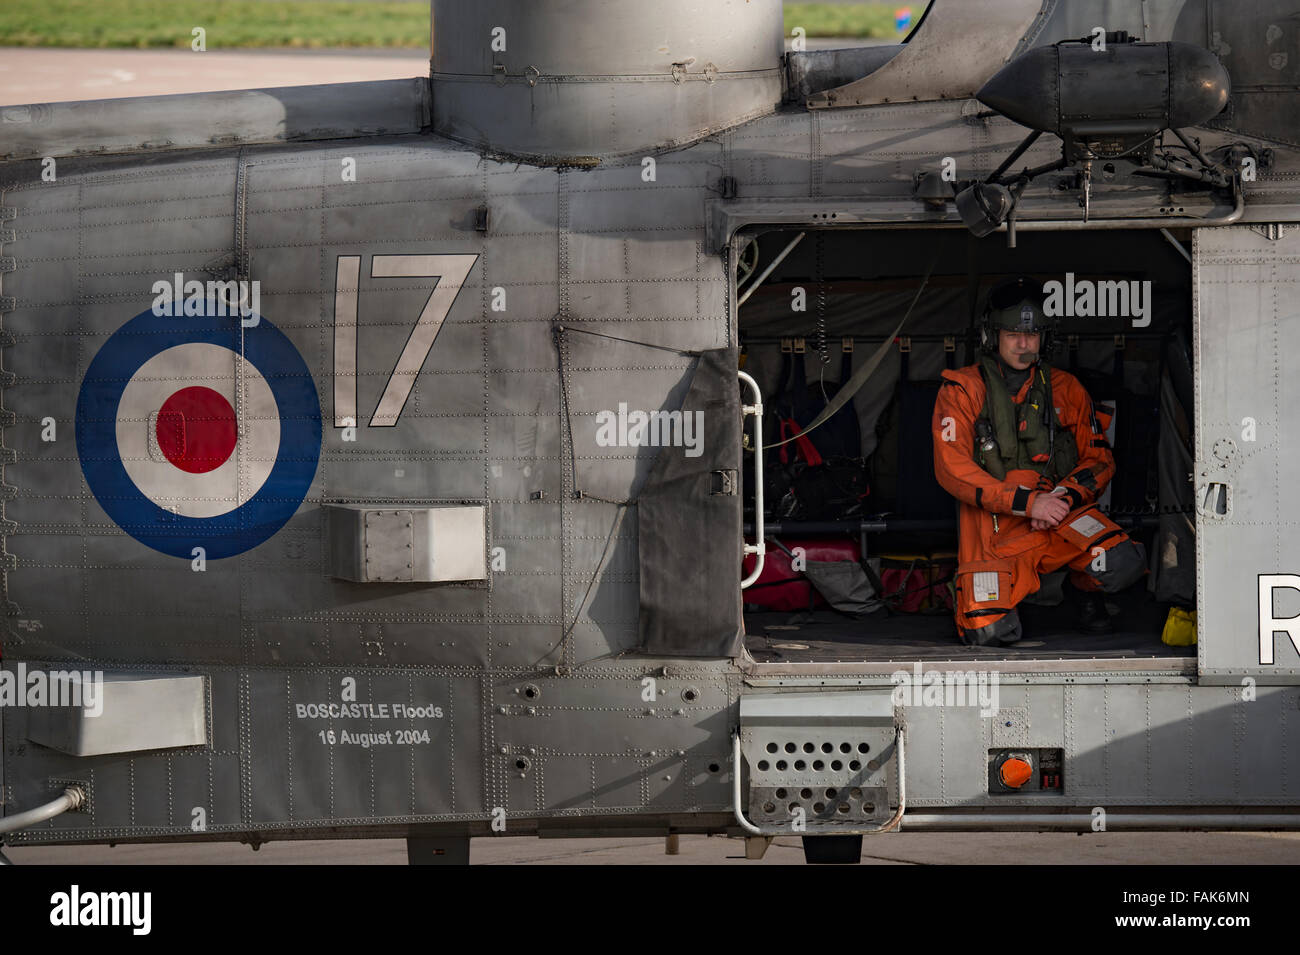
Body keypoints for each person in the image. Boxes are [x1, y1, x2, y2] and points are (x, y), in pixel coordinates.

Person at [930, 277, 1147, 646]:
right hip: (994, 525)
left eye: (1032, 335)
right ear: (991, 336)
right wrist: (1029, 503)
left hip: (1060, 513)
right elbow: (953, 470)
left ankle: (1085, 591)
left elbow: (1099, 460)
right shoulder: (962, 390)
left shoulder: (1067, 388)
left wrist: (1063, 498)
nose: (1024, 343)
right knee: (989, 633)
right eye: (1013, 333)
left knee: (1124, 562)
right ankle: (977, 596)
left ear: (1045, 339)